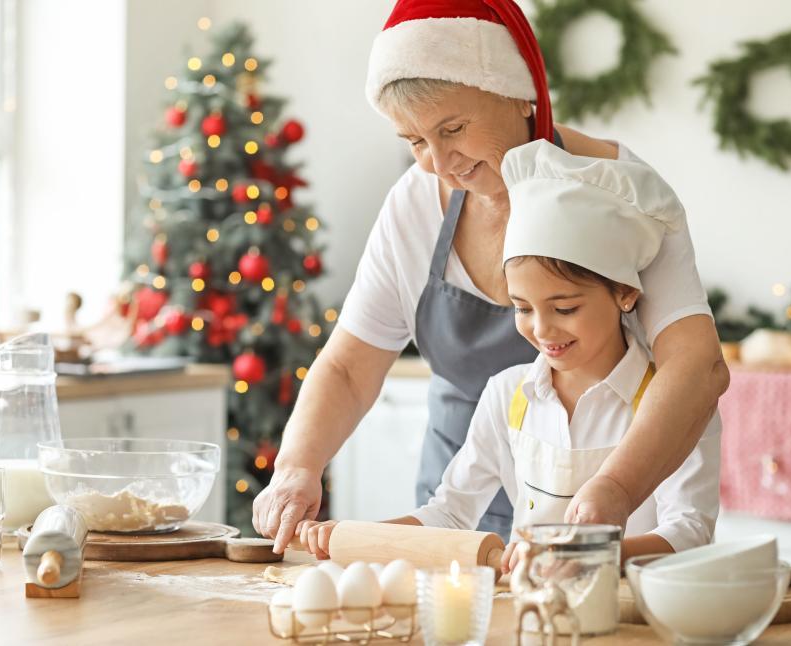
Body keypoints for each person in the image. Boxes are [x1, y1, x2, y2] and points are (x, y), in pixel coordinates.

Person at [252, 0, 728, 552]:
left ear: (518, 94)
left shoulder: (621, 195)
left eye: (452, 128)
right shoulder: (414, 205)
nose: (437, 162)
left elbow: (697, 368)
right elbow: (350, 368)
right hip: (455, 510)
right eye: (413, 141)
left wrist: (615, 495)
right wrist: (296, 466)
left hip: (606, 511)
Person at [292, 139, 721, 570]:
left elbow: (687, 531)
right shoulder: (506, 395)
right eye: (521, 307)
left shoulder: (670, 404)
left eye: (565, 308)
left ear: (625, 293)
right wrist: (360, 538)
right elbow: (450, 514)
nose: (541, 329)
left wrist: (590, 556)